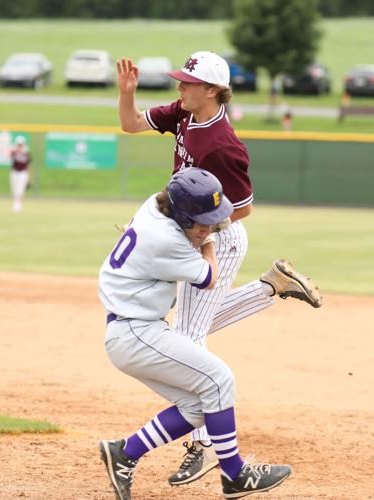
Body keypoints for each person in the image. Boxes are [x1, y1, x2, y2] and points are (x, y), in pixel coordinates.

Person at [116, 51, 322, 485]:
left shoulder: (224, 145)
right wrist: (126, 95)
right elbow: (131, 124)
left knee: (188, 339)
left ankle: (205, 444)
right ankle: (271, 286)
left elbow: (241, 211)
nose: (179, 87)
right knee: (193, 331)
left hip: (218, 239)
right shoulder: (185, 114)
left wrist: (191, 236)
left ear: (211, 90)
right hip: (192, 231)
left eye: (188, 82)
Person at [98, 168, 292, 500]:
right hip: (135, 332)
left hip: (136, 328)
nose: (208, 228)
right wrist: (211, 241)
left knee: (198, 407)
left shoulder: (156, 205)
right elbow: (209, 277)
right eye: (203, 222)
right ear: (182, 216)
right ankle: (235, 474)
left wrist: (203, 231)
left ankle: (125, 453)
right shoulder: (166, 240)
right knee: (219, 379)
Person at [9, 135, 32, 213]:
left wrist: (29, 178)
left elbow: (28, 166)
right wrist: (17, 152)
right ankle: (15, 203)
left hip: (23, 173)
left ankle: (19, 205)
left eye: (21, 144)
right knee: (14, 189)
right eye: (18, 144)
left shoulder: (26, 153)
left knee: (20, 189)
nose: (20, 145)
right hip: (14, 172)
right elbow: (10, 158)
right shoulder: (14, 152)